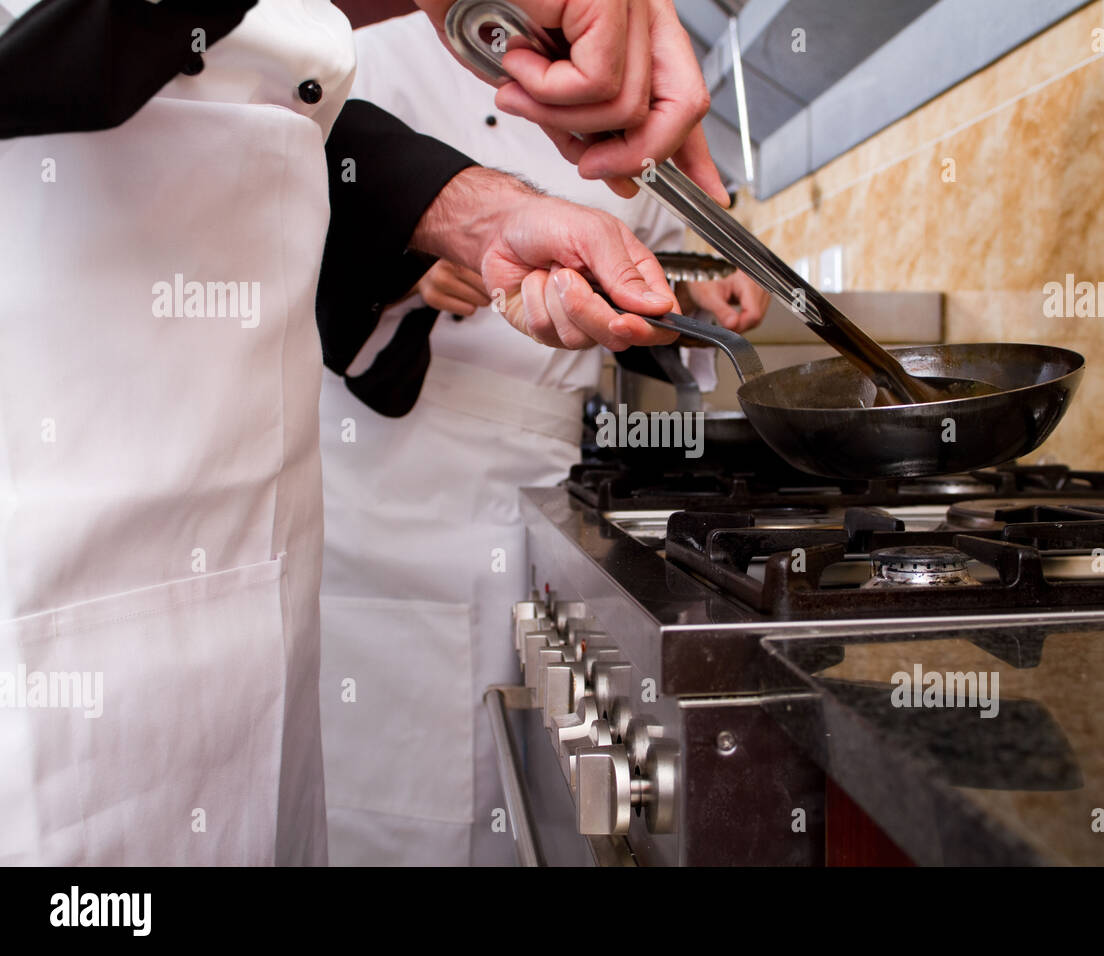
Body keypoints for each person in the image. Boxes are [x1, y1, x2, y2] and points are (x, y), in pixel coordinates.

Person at [0, 0, 726, 865]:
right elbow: (69, 49)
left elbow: (276, 114)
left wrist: (482, 214)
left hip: (265, 516)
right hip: (77, 501)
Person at [316, 10, 770, 867]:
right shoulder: (356, 50)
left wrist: (715, 273)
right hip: (390, 480)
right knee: (393, 796)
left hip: (543, 473)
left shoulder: (619, 76)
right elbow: (305, 216)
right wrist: (417, 259)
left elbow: (659, 233)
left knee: (524, 790)